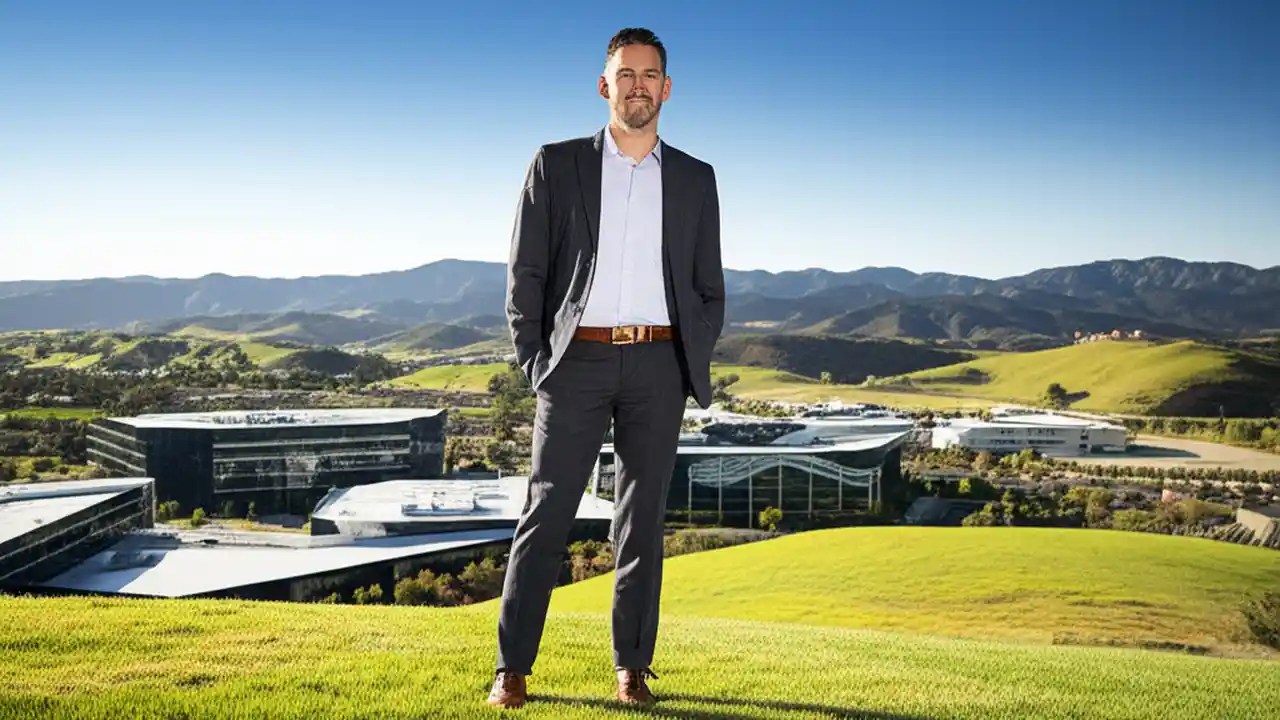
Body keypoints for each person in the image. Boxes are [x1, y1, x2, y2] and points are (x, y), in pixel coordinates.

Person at [487, 26, 724, 709]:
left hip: (658, 365)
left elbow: (710, 286)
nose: (639, 85)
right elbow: (525, 274)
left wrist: (687, 359)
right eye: (627, 74)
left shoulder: (695, 178)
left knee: (641, 522)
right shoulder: (555, 165)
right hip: (576, 364)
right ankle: (511, 668)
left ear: (667, 88)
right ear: (605, 84)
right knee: (546, 514)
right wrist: (539, 363)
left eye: (651, 74)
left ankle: (631, 668)